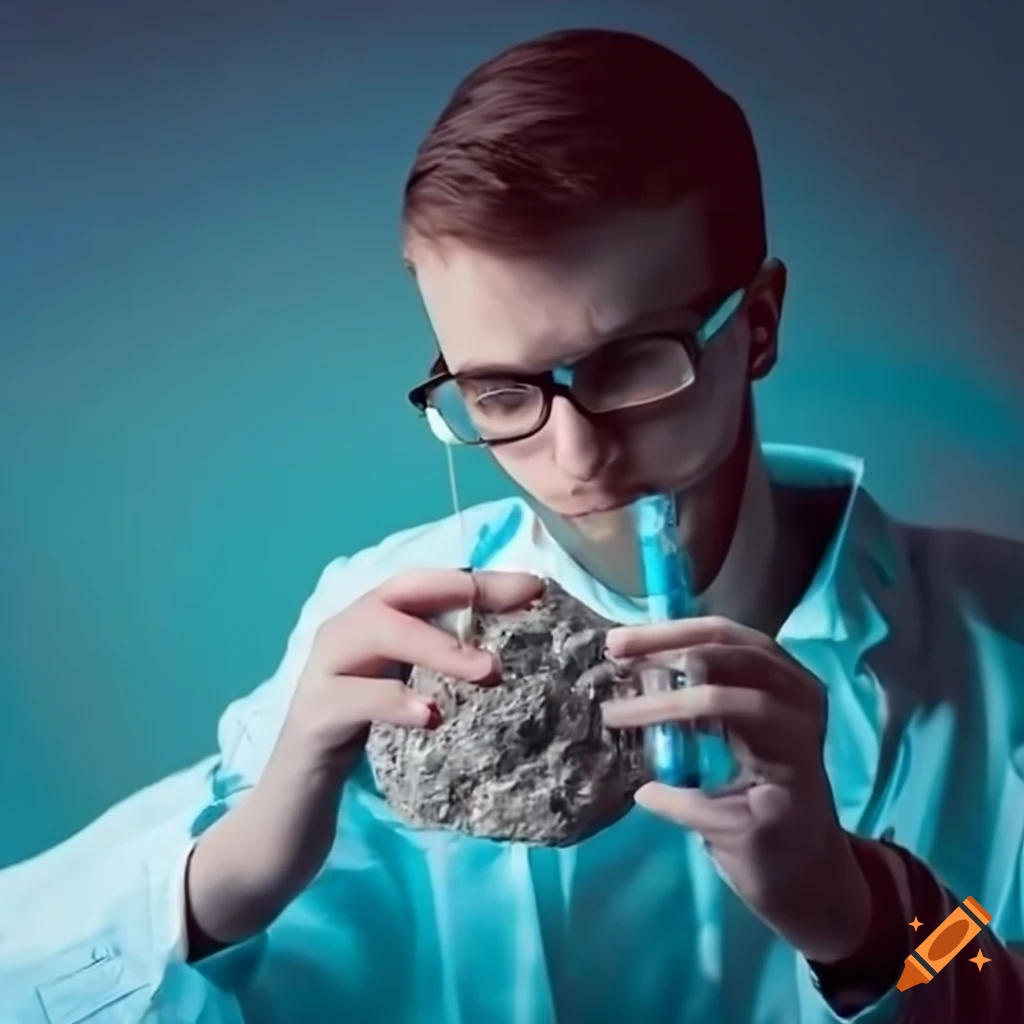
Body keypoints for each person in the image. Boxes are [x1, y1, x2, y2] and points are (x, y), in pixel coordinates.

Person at [1, 26, 1022, 1024]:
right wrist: (223, 883)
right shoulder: (376, 641)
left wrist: (874, 924)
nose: (575, 458)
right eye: (498, 392)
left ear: (756, 324)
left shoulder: (1003, 639)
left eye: (632, 364)